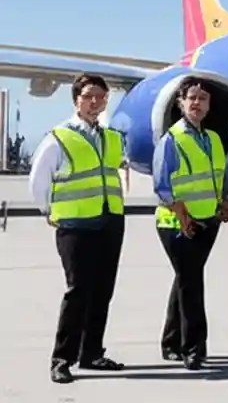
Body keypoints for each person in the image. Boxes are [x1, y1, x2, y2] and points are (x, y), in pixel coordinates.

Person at [27, 73, 128, 384]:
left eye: (100, 96)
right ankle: (62, 359)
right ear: (76, 100)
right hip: (75, 225)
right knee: (78, 291)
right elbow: (38, 181)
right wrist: (50, 210)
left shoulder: (111, 136)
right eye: (88, 96)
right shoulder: (59, 136)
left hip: (109, 220)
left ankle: (92, 352)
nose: (95, 101)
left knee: (103, 291)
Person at [152, 75, 228, 370]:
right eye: (192, 98)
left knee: (185, 280)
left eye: (203, 99)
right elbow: (162, 187)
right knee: (192, 284)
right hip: (176, 224)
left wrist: (224, 203)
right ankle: (194, 348)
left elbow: (217, 179)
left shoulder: (213, 139)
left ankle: (171, 341)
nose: (197, 104)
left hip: (207, 221)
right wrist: (184, 218)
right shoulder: (171, 141)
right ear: (181, 102)